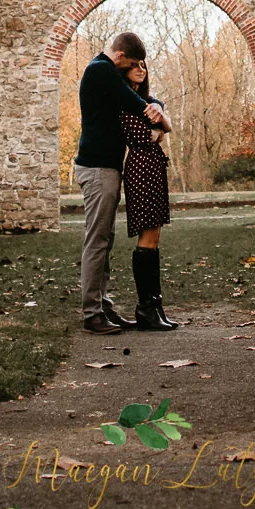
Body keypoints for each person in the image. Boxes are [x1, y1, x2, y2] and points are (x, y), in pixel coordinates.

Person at [75, 30, 153, 333]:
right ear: (120, 55)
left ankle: (103, 306)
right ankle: (92, 313)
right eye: (131, 63)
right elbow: (135, 102)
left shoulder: (107, 71)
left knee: (104, 240)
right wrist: (157, 115)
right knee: (97, 241)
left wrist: (156, 104)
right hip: (97, 168)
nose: (132, 68)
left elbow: (140, 96)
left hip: (105, 168)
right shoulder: (100, 70)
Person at [119, 59, 178, 331]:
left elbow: (167, 126)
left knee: (154, 235)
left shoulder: (149, 101)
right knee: (147, 233)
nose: (140, 69)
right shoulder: (125, 102)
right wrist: (157, 128)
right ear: (124, 70)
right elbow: (143, 137)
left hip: (153, 167)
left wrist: (161, 121)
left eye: (143, 65)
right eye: (134, 65)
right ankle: (145, 308)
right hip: (140, 168)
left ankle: (155, 305)